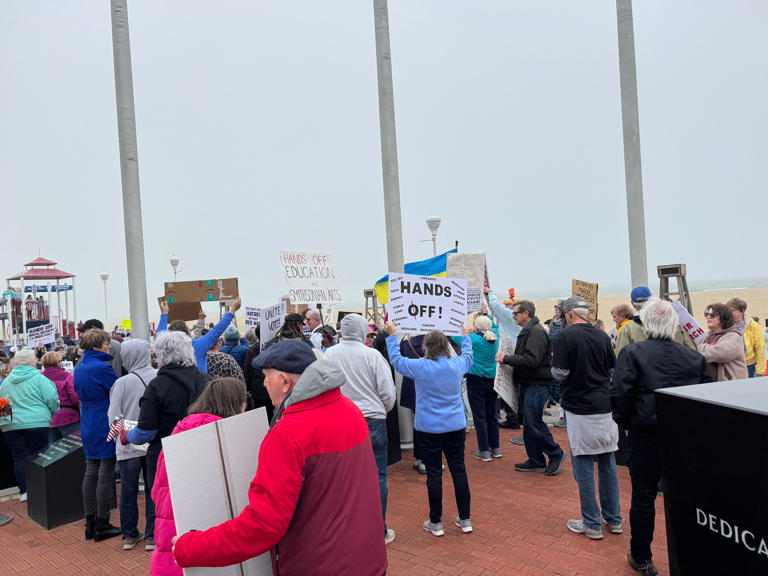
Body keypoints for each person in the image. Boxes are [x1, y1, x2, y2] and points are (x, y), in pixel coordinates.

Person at [171, 340, 387, 576]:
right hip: (367, 560)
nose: (263, 383)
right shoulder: (350, 410)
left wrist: (190, 547)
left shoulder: (289, 432)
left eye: (266, 376)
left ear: (285, 382)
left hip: (319, 564)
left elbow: (263, 525)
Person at [612, 299, 710, 576]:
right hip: (681, 438)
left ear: (646, 324)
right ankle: (690, 555)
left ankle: (642, 557)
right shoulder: (693, 357)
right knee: (684, 498)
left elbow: (620, 394)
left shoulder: (632, 353)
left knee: (643, 497)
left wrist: (627, 423)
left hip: (645, 435)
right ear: (674, 325)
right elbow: (704, 399)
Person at [123, 331, 209, 552]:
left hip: (164, 453)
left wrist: (128, 436)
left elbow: (146, 431)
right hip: (200, 448)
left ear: (162, 356)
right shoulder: (204, 380)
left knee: (162, 503)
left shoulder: (157, 386)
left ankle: (164, 545)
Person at [386, 321, 474, 537]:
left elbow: (396, 361)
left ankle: (436, 522)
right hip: (455, 426)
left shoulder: (420, 367)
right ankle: (465, 519)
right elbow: (469, 357)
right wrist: (465, 336)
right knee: (459, 471)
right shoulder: (457, 365)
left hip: (428, 428)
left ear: (426, 346)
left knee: (434, 474)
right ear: (445, 345)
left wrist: (392, 336)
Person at [151, 377, 247, 576]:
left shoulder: (177, 435)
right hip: (204, 549)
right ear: (236, 405)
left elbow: (156, 492)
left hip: (168, 544)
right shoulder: (227, 443)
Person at [552, 296, 621, 540]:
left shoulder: (565, 337)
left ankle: (591, 522)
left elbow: (559, 373)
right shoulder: (602, 336)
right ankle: (614, 519)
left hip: (580, 408)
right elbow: (613, 371)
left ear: (569, 314)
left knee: (583, 465)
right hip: (604, 405)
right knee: (607, 462)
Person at [324, 314, 397, 544]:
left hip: (341, 418)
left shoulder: (330, 354)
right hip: (372, 419)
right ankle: (379, 528)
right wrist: (380, 410)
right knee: (378, 475)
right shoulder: (371, 355)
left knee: (343, 476)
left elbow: (324, 386)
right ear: (363, 330)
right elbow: (388, 392)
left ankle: (349, 528)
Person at [495, 300, 564, 475]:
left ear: (526, 314)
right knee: (528, 422)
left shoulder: (536, 332)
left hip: (537, 383)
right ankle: (536, 459)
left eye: (516, 313)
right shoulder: (531, 331)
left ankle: (555, 453)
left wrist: (507, 359)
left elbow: (532, 360)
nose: (513, 316)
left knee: (533, 421)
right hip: (530, 383)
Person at [108, 339, 158, 551]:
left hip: (128, 442)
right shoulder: (158, 377)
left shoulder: (122, 383)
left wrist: (123, 433)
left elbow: (113, 416)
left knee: (128, 490)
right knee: (153, 489)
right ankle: (152, 535)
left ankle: (129, 535)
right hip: (153, 441)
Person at [73, 329, 120, 541]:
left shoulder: (79, 367)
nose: (108, 346)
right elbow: (117, 392)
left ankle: (90, 523)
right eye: (105, 344)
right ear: (96, 346)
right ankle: (102, 523)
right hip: (104, 419)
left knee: (91, 468)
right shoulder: (103, 367)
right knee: (106, 469)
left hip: (88, 420)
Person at [0, 349, 59, 502]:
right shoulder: (39, 379)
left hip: (11, 425)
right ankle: (41, 489)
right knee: (39, 455)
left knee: (19, 457)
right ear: (31, 362)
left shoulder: (6, 382)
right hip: (38, 422)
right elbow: (52, 399)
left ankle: (24, 491)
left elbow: (2, 404)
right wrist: (50, 414)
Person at [155, 297, 242, 373]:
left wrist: (164, 313)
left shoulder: (164, 351)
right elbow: (216, 332)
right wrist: (232, 310)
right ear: (188, 335)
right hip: (199, 390)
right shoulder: (195, 346)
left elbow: (159, 336)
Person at [615, 287, 696, 355]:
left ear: (632, 304)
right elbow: (692, 350)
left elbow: (621, 357)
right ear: (651, 300)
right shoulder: (673, 323)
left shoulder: (627, 330)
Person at [485, 287, 523, 432]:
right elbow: (496, 311)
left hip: (509, 356)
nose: (507, 308)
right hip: (516, 356)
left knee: (509, 388)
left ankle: (513, 418)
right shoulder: (518, 321)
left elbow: (496, 308)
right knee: (515, 388)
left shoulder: (509, 316)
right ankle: (516, 417)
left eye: (509, 305)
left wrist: (490, 293)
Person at [464, 314, 500, 462]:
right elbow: (493, 325)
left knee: (479, 417)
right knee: (492, 415)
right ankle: (496, 448)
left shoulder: (473, 339)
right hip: (493, 381)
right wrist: (485, 315)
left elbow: (456, 337)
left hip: (476, 381)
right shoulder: (495, 336)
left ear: (477, 327)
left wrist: (468, 330)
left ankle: (484, 450)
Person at [698, 303, 748, 381]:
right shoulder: (710, 335)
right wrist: (709, 347)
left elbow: (719, 354)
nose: (708, 317)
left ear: (723, 317)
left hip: (733, 385)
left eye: (712, 315)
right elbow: (696, 349)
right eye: (706, 314)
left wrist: (702, 347)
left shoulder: (734, 336)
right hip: (714, 386)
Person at [399, 334, 426, 473]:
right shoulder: (431, 339)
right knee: (427, 425)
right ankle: (425, 460)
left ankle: (418, 457)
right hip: (426, 386)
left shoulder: (405, 342)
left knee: (417, 423)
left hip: (410, 386)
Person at [41, 351, 80, 441]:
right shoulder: (67, 376)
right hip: (68, 417)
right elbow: (75, 397)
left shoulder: (39, 379)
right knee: (74, 449)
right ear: (58, 362)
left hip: (48, 418)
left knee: (54, 452)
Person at [726, 298, 765, 378]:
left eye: (732, 310)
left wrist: (760, 370)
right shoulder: (726, 325)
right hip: (733, 365)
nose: (729, 313)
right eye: (728, 310)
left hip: (750, 365)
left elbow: (760, 348)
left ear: (742, 311)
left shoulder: (753, 326)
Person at [243, 327, 273, 422]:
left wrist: (247, 388)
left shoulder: (252, 350)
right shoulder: (274, 348)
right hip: (272, 386)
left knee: (261, 417)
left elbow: (248, 371)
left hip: (258, 389)